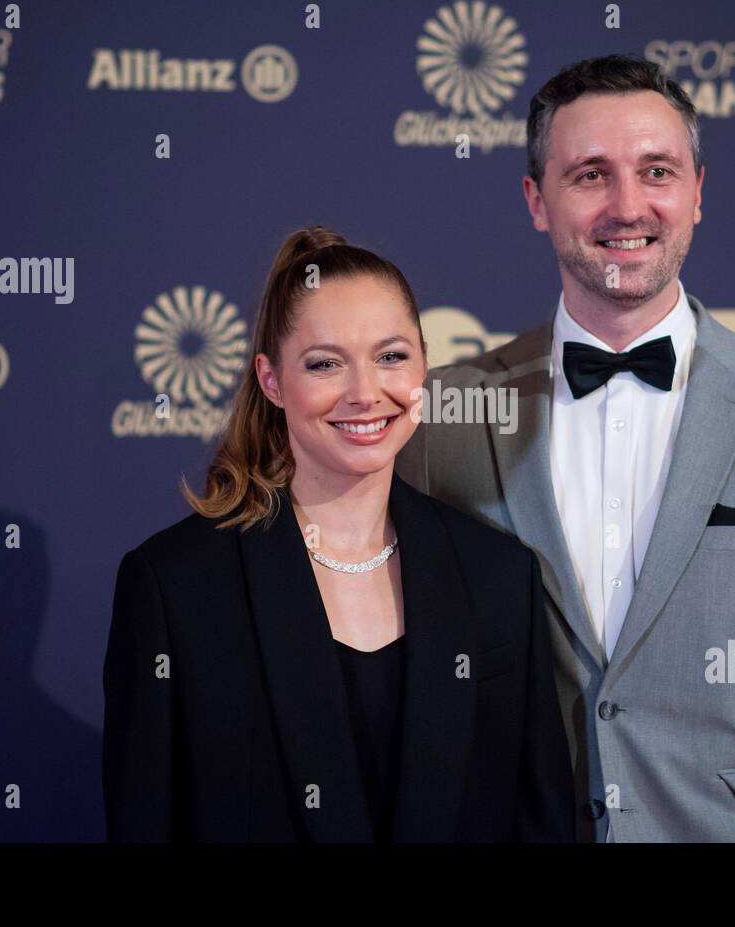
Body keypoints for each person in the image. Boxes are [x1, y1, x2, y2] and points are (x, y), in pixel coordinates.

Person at [396, 54, 735, 842]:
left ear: (698, 191)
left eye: (656, 171)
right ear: (537, 199)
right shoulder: (444, 416)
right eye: (590, 175)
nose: (627, 206)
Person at [103, 227, 574, 841]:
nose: (364, 393)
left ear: (425, 366)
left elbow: (538, 825)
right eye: (325, 364)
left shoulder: (499, 576)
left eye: (391, 356)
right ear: (272, 381)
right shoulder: (176, 586)